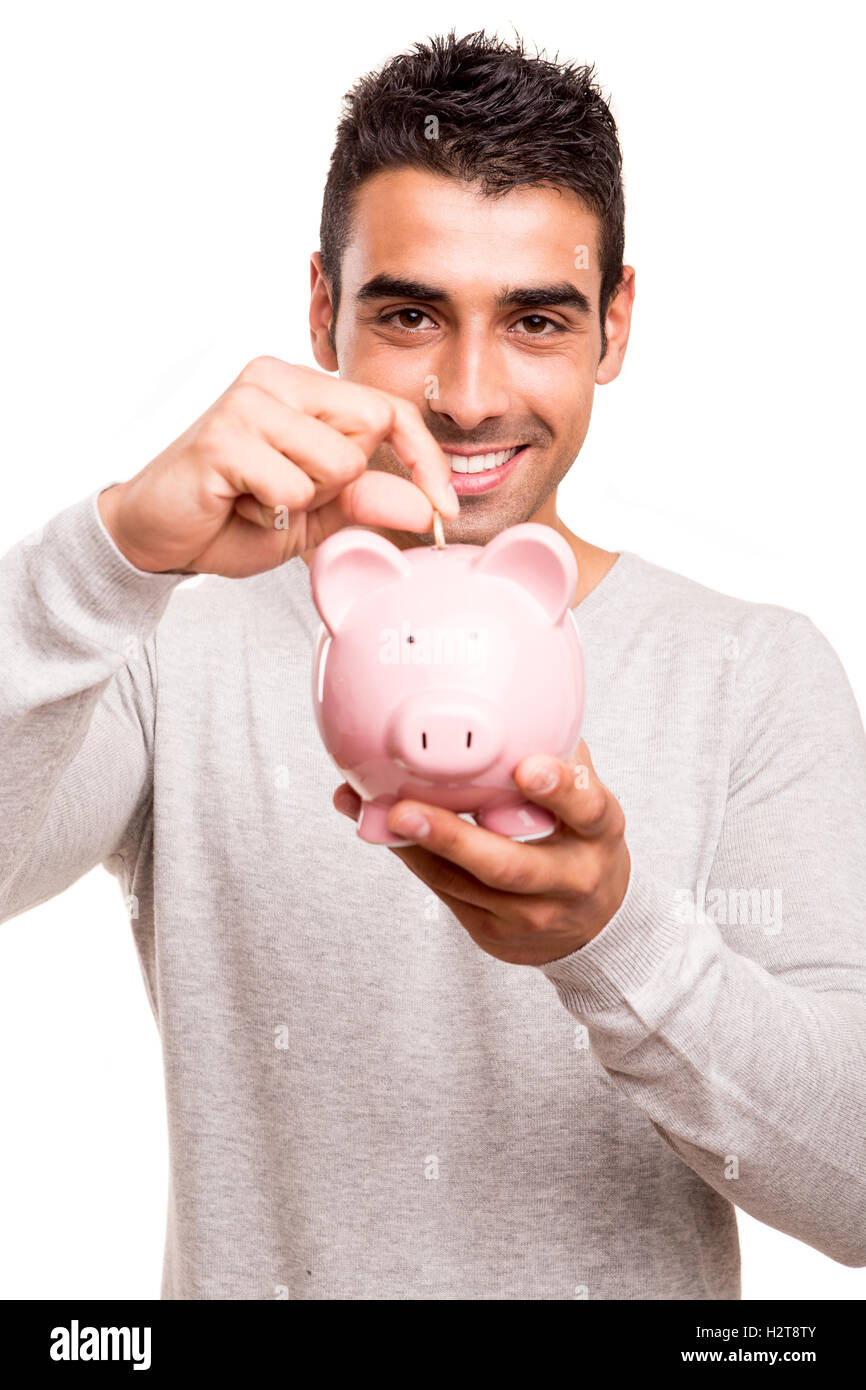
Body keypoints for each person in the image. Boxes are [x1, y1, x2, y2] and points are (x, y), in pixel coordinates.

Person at [1, 30, 864, 1301]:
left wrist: (610, 937)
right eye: (408, 313)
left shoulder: (748, 670)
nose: (465, 396)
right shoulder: (167, 638)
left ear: (612, 326)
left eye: (533, 320)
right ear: (319, 310)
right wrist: (110, 555)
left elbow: (849, 1185)